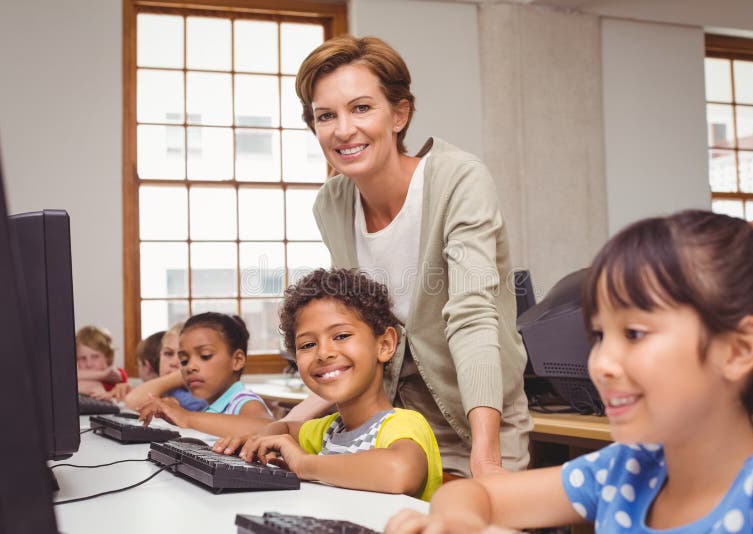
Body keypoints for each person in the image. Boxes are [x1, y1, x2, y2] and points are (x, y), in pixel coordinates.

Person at [225, 34, 532, 479]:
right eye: (325, 115)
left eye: (361, 108)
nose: (343, 129)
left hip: (477, 427)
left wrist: (485, 458)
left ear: (399, 113)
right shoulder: (332, 203)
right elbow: (359, 335)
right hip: (387, 430)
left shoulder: (458, 180)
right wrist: (289, 424)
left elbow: (473, 318)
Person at [385, 210, 753, 533]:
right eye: (599, 335)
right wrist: (459, 521)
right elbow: (477, 494)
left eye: (634, 333)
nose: (599, 363)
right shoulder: (624, 470)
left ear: (738, 350)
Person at [216, 269, 442, 500]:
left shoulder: (402, 424)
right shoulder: (329, 430)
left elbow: (400, 471)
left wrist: (305, 464)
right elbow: (284, 429)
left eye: (341, 336)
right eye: (307, 345)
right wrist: (261, 439)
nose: (323, 353)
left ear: (384, 345)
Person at [137, 313, 273, 436]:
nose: (190, 367)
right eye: (184, 361)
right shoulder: (210, 408)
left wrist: (187, 417)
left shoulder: (243, 401)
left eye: (205, 356)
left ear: (237, 360)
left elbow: (269, 428)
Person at [124, 324, 207, 412]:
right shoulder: (167, 389)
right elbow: (131, 402)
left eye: (183, 356)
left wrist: (179, 376)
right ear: (160, 356)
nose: (174, 363)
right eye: (168, 353)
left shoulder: (198, 396)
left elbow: (131, 402)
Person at [76, 325, 127, 398]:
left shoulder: (117, 374)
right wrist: (103, 375)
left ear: (107, 356)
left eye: (95, 357)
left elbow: (115, 374)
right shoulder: (78, 375)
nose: (89, 364)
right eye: (83, 358)